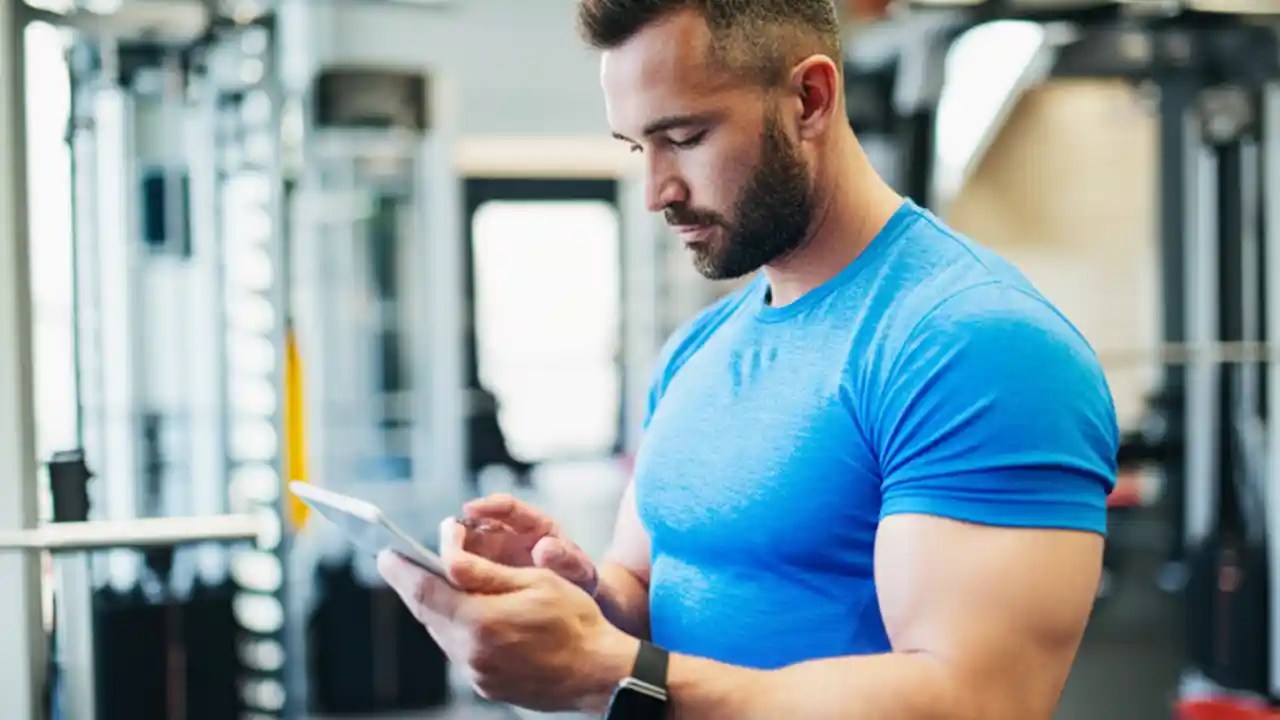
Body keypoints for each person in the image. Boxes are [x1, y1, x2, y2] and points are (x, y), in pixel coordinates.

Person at [377, 1, 1119, 717]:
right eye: (639, 146)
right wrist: (573, 594)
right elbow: (646, 586)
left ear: (809, 98)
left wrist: (607, 673)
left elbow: (978, 703)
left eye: (685, 136)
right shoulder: (697, 351)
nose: (656, 191)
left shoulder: (974, 343)